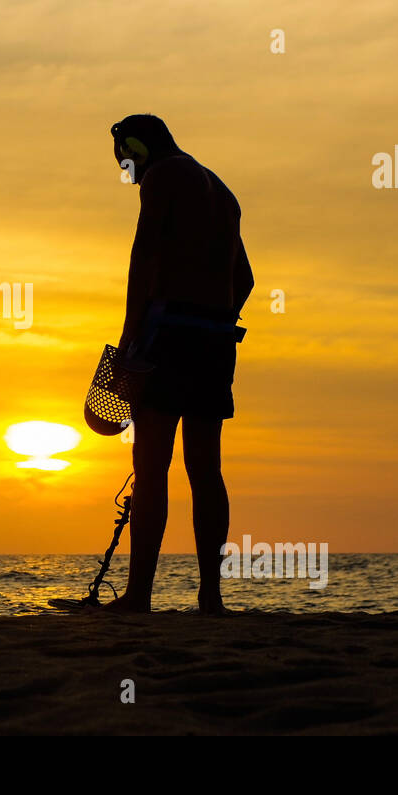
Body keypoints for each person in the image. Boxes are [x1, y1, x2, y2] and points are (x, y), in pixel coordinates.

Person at [105, 114, 253, 615]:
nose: (127, 170)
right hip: (215, 339)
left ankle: (139, 596)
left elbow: (143, 254)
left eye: (126, 158)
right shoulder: (223, 192)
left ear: (139, 149)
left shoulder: (164, 177)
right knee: (205, 468)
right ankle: (211, 598)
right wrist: (215, 316)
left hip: (167, 335)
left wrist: (130, 335)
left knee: (150, 467)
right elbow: (247, 278)